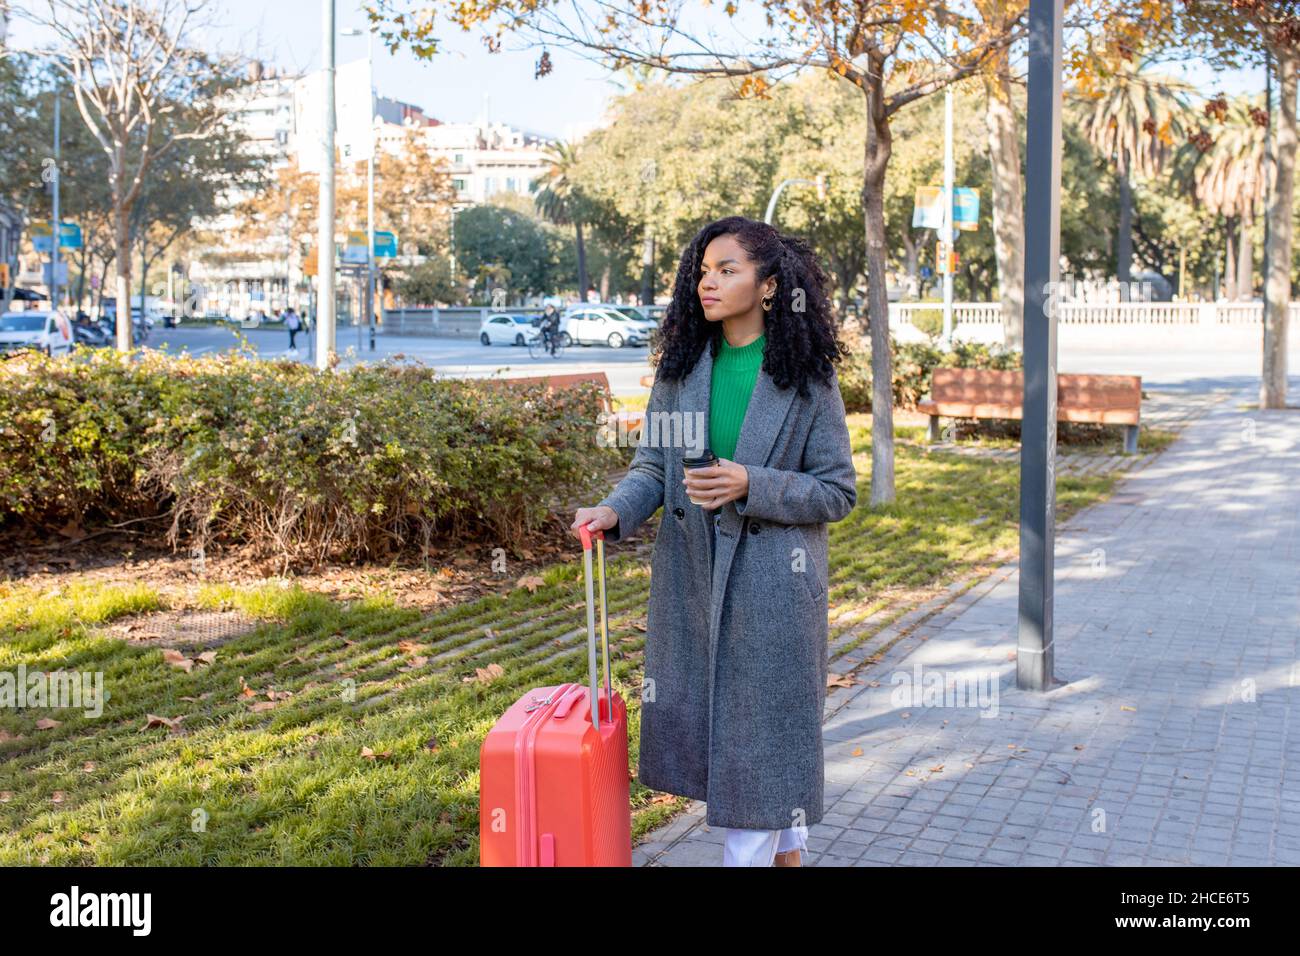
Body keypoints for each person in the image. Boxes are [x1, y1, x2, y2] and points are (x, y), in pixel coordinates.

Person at [570, 216, 858, 866]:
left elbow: (836, 491)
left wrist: (751, 483)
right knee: (758, 769)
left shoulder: (808, 381)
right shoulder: (680, 371)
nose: (708, 281)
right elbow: (651, 467)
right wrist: (615, 512)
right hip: (694, 585)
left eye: (728, 270)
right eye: (704, 270)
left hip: (773, 596)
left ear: (768, 286)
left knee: (754, 769)